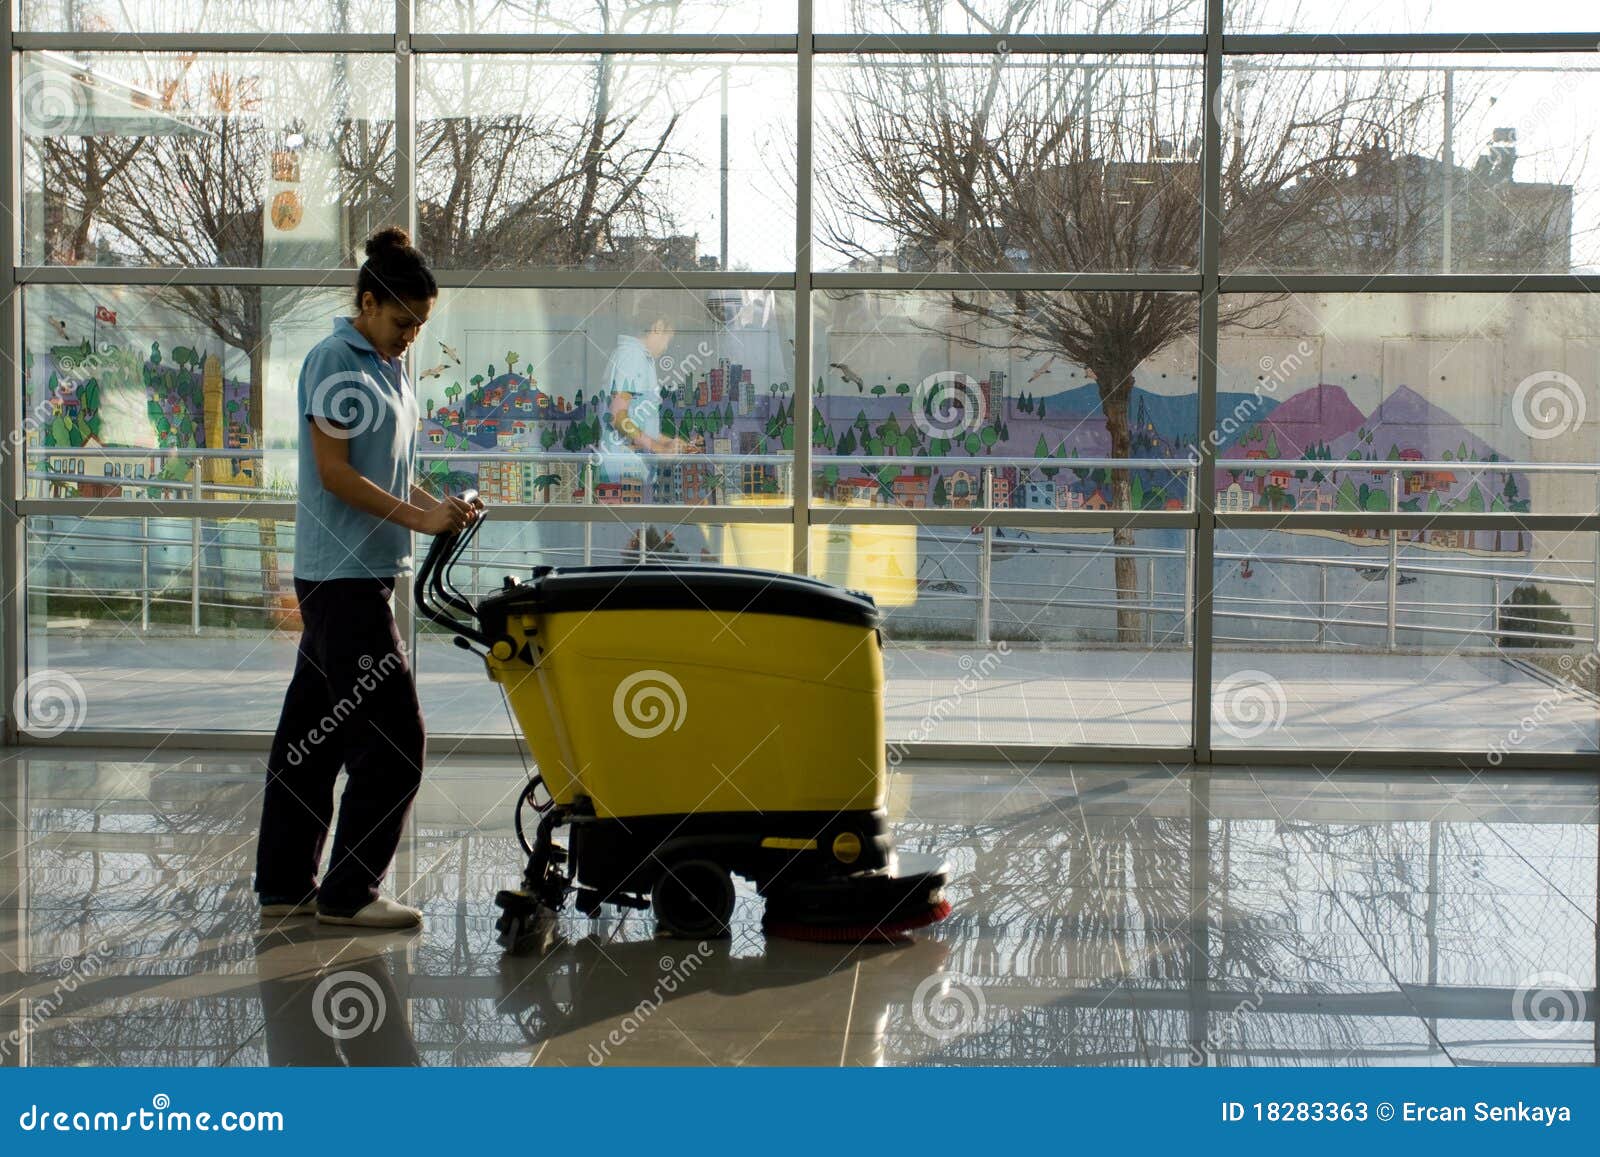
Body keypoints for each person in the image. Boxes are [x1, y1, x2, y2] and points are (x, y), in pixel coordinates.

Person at [253, 226, 479, 930]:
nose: (411, 334)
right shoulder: (333, 359)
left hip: (363, 575)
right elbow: (335, 472)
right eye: (402, 319)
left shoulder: (389, 366)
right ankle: (350, 893)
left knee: (310, 739)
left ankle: (285, 882)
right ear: (368, 300)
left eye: (421, 324)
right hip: (339, 578)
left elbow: (391, 472)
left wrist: (437, 507)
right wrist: (417, 522)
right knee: (395, 743)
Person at [596, 292, 703, 497]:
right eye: (667, 340)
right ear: (658, 327)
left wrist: (667, 443)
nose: (665, 348)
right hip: (623, 474)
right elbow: (618, 416)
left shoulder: (638, 357)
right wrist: (657, 447)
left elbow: (637, 421)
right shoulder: (632, 356)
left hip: (630, 473)